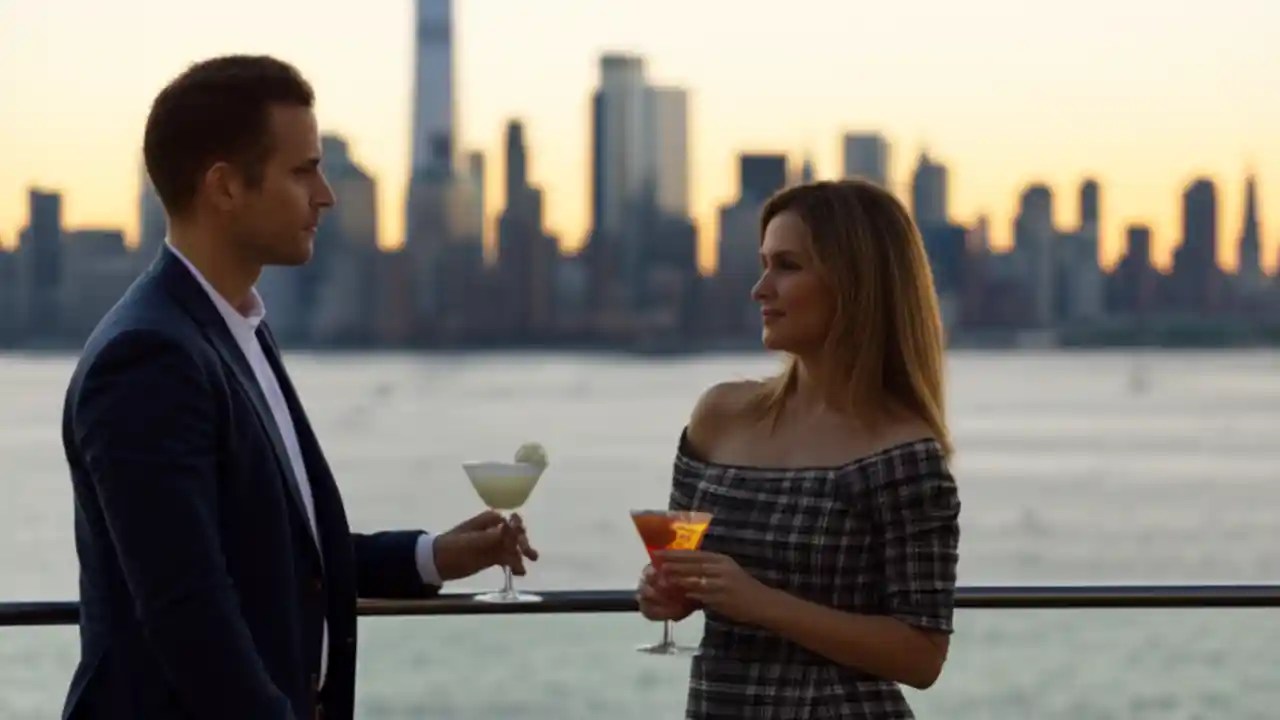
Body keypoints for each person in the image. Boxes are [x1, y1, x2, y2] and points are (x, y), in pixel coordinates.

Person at [60, 55, 537, 720]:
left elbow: (280, 556)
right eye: (302, 171)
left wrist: (432, 556)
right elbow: (187, 611)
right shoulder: (149, 358)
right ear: (225, 187)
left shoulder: (237, 329)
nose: (326, 195)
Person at [637, 180, 961, 718]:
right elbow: (684, 575)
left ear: (854, 285)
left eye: (787, 266)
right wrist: (664, 595)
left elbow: (922, 656)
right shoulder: (718, 415)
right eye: (764, 264)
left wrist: (761, 603)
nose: (760, 289)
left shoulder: (904, 457)